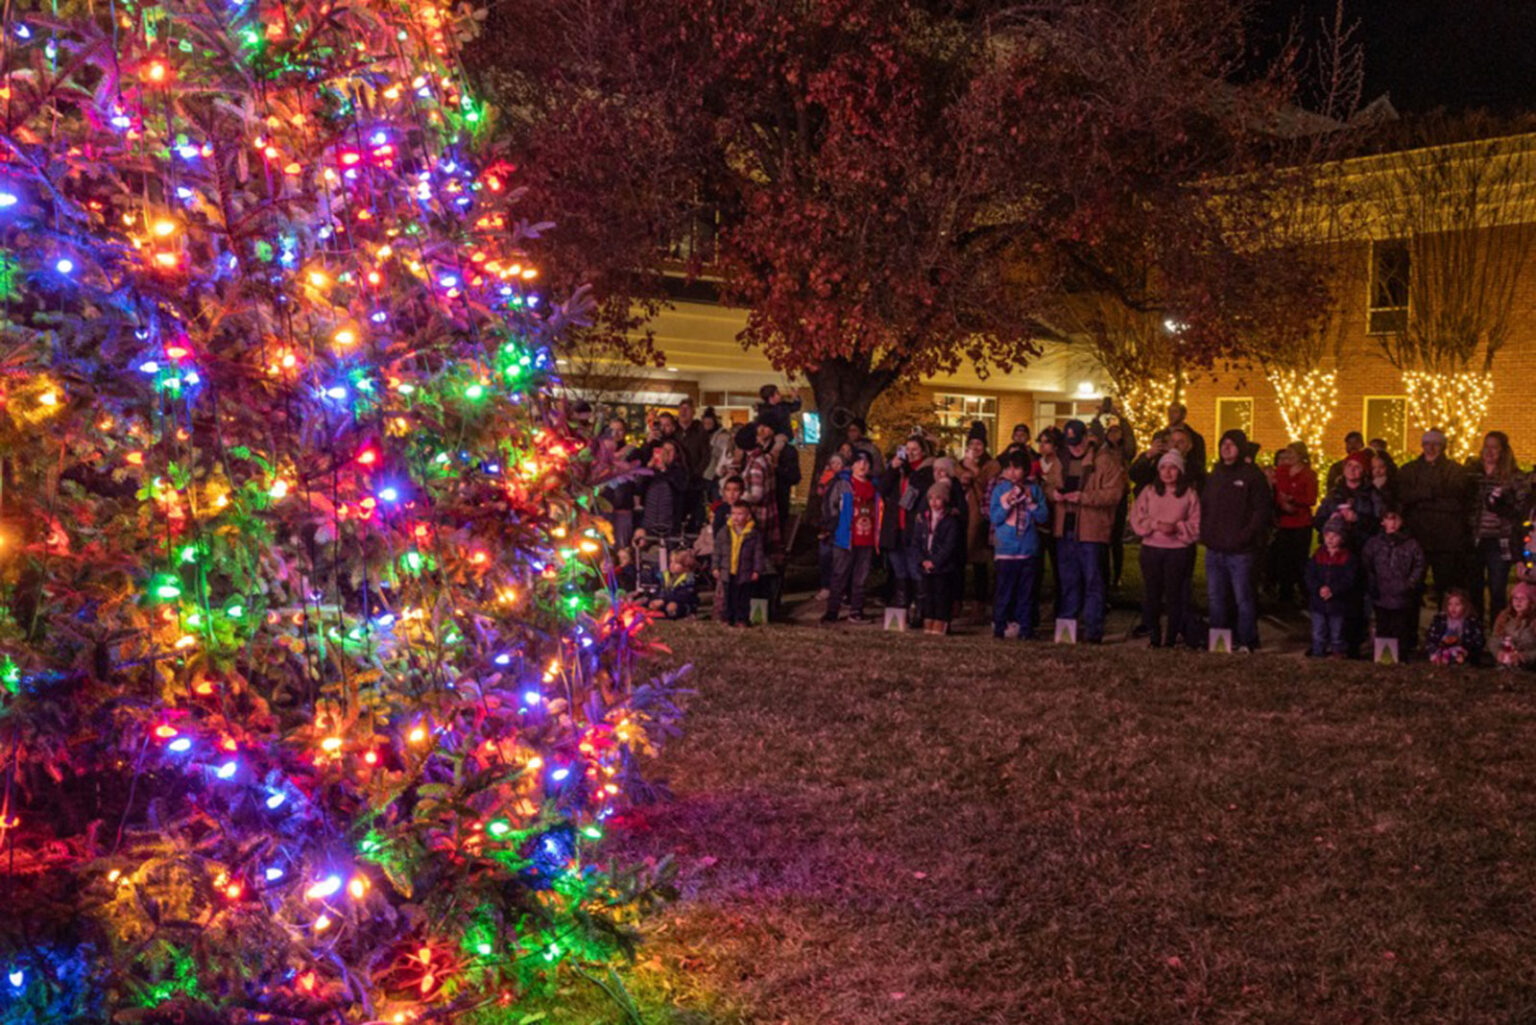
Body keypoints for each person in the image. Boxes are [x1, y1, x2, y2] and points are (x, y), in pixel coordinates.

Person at [1044, 419, 1127, 644]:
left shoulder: (1105, 461)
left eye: (1078, 443)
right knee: (1068, 581)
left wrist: (1085, 498)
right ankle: (1067, 629)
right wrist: (1055, 495)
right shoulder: (1061, 460)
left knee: (1093, 581)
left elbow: (1115, 493)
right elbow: (1048, 486)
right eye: (1070, 444)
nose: (1075, 448)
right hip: (1065, 530)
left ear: (1086, 438)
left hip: (1092, 532)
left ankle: (1093, 630)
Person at [1199, 428, 1272, 652]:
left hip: (1241, 551)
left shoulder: (1252, 475)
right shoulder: (1216, 475)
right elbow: (1206, 506)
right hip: (1215, 549)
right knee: (1216, 597)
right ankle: (1220, 641)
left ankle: (1248, 640)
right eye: (1223, 444)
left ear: (1240, 448)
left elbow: (1261, 512)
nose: (1226, 449)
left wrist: (1245, 536)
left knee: (1244, 598)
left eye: (1231, 444)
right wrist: (1206, 533)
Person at [1129, 450, 1201, 648]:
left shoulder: (1189, 494)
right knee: (1152, 594)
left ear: (1180, 470)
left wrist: (1177, 527)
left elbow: (1196, 524)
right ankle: (1154, 635)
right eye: (1163, 467)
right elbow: (1137, 517)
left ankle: (1170, 638)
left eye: (1172, 468)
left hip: (1177, 551)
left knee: (1174, 595)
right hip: (1152, 549)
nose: (1167, 472)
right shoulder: (1149, 491)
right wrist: (1154, 525)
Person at [1398, 428, 1473, 603]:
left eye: (1436, 444)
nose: (1430, 448)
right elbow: (1404, 496)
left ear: (1443, 446)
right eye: (1427, 444)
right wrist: (1434, 492)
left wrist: (1421, 496)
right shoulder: (1409, 470)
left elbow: (1457, 500)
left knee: (1445, 588)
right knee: (1413, 586)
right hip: (1417, 537)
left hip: (1446, 540)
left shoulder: (1455, 470)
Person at [989, 451, 1048, 639]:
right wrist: (1008, 502)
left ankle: (1025, 628)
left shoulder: (1035, 489)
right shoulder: (1000, 490)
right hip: (1005, 549)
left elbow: (1043, 517)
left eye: (1017, 468)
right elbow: (995, 518)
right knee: (1004, 591)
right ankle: (1000, 626)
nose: (1013, 472)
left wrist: (1030, 501)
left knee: (1027, 592)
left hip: (1027, 548)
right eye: (1009, 468)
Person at [821, 451, 881, 625]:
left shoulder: (874, 486)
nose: (862, 466)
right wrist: (834, 526)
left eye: (866, 463)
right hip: (845, 537)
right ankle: (832, 610)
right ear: (852, 465)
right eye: (858, 462)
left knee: (861, 577)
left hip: (868, 538)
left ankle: (856, 610)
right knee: (839, 574)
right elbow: (830, 506)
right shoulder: (843, 484)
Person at [1468, 430, 1523, 619]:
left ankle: (1497, 633)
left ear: (1503, 451)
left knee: (1497, 589)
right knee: (1473, 588)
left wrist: (1504, 506)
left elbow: (1521, 507)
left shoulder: (1513, 477)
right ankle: (1475, 634)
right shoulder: (1473, 473)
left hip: (1499, 541)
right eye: (1486, 447)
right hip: (1476, 539)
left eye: (1494, 448)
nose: (1489, 452)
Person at [1362, 506, 1426, 661]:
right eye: (1389, 518)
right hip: (1381, 593)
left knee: (1401, 627)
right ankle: (1384, 658)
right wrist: (1372, 583)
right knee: (1383, 626)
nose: (1392, 523)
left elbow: (1419, 565)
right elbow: (1366, 564)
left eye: (1396, 519)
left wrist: (1409, 584)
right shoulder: (1374, 543)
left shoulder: (1411, 544)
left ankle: (1401, 656)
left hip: (1401, 595)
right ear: (1383, 521)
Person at [879, 436, 931, 611]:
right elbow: (882, 489)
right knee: (899, 569)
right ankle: (902, 604)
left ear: (923, 451)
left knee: (914, 568)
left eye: (914, 449)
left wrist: (909, 471)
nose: (910, 453)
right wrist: (892, 470)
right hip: (895, 527)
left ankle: (919, 608)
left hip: (913, 528)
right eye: (907, 449)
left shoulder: (926, 471)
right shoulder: (898, 471)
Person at [1269, 441, 1319, 606]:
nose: (1288, 456)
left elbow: (1311, 498)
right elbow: (1276, 492)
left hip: (1301, 523)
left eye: (1292, 453)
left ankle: (1305, 592)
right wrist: (1281, 504)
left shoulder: (1308, 474)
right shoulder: (1282, 472)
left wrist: (1293, 500)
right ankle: (1285, 594)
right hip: (1284, 522)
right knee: (1283, 559)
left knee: (1299, 560)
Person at [911, 481, 963, 634]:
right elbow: (915, 542)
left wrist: (935, 561)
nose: (934, 502)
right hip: (925, 564)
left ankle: (941, 623)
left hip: (943, 567)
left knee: (942, 595)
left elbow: (950, 545)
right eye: (931, 498)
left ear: (945, 499)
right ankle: (928, 621)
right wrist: (922, 560)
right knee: (927, 595)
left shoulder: (951, 520)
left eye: (938, 498)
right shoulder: (922, 519)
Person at [1306, 520, 1361, 659]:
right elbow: (1310, 575)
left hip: (1338, 604)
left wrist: (1333, 590)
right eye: (1327, 535)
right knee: (1318, 632)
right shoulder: (1318, 555)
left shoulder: (1347, 558)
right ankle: (1318, 654)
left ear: (1342, 538)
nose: (1330, 539)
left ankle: (1337, 655)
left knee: (1337, 632)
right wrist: (1319, 589)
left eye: (1334, 535)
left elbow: (1349, 579)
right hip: (1318, 603)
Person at [1312, 449, 1382, 551]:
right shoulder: (1334, 493)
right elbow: (1318, 521)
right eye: (1349, 465)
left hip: (1362, 547)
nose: (1352, 469)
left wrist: (1357, 519)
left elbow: (1380, 523)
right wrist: (1330, 521)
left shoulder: (1372, 494)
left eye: (1357, 466)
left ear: (1364, 471)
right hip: (1335, 550)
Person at [716, 502, 764, 627]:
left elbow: (758, 554)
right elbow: (717, 551)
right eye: (733, 513)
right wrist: (715, 566)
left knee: (743, 598)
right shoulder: (724, 532)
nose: (736, 517)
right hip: (728, 570)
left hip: (744, 571)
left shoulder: (753, 534)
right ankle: (727, 617)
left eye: (740, 514)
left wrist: (757, 570)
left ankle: (741, 619)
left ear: (748, 516)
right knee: (728, 597)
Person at [636, 438, 687, 539]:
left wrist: (664, 469)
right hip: (650, 517)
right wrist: (647, 469)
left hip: (669, 519)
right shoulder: (652, 471)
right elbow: (639, 487)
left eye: (670, 450)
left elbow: (679, 487)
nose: (666, 453)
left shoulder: (679, 470)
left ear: (676, 454)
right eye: (663, 450)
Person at [813, 454, 847, 600]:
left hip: (836, 524)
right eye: (832, 462)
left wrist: (831, 527)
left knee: (838, 559)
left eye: (838, 463)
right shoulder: (827, 479)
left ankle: (839, 589)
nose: (835, 465)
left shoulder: (843, 482)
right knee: (825, 557)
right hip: (826, 522)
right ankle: (826, 586)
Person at [1426, 588, 1484, 666]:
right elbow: (1431, 638)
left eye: (1457, 605)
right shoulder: (1440, 620)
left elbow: (1478, 641)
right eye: (1450, 604)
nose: (1453, 608)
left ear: (1465, 606)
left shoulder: (1471, 622)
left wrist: (1467, 652)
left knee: (1460, 656)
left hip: (1463, 651)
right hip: (1442, 649)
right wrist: (1433, 650)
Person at [1492, 581, 1536, 670]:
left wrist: (1523, 656)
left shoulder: (1533, 621)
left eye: (1522, 599)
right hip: (1506, 664)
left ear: (1532, 602)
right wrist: (1498, 652)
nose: (1518, 602)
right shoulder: (1505, 617)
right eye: (1515, 598)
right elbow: (1494, 639)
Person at [1166, 403, 1207, 476]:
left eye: (1175, 412)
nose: (1170, 415)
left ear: (1183, 415)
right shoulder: (1159, 436)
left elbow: (1200, 465)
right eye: (1169, 411)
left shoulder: (1195, 438)